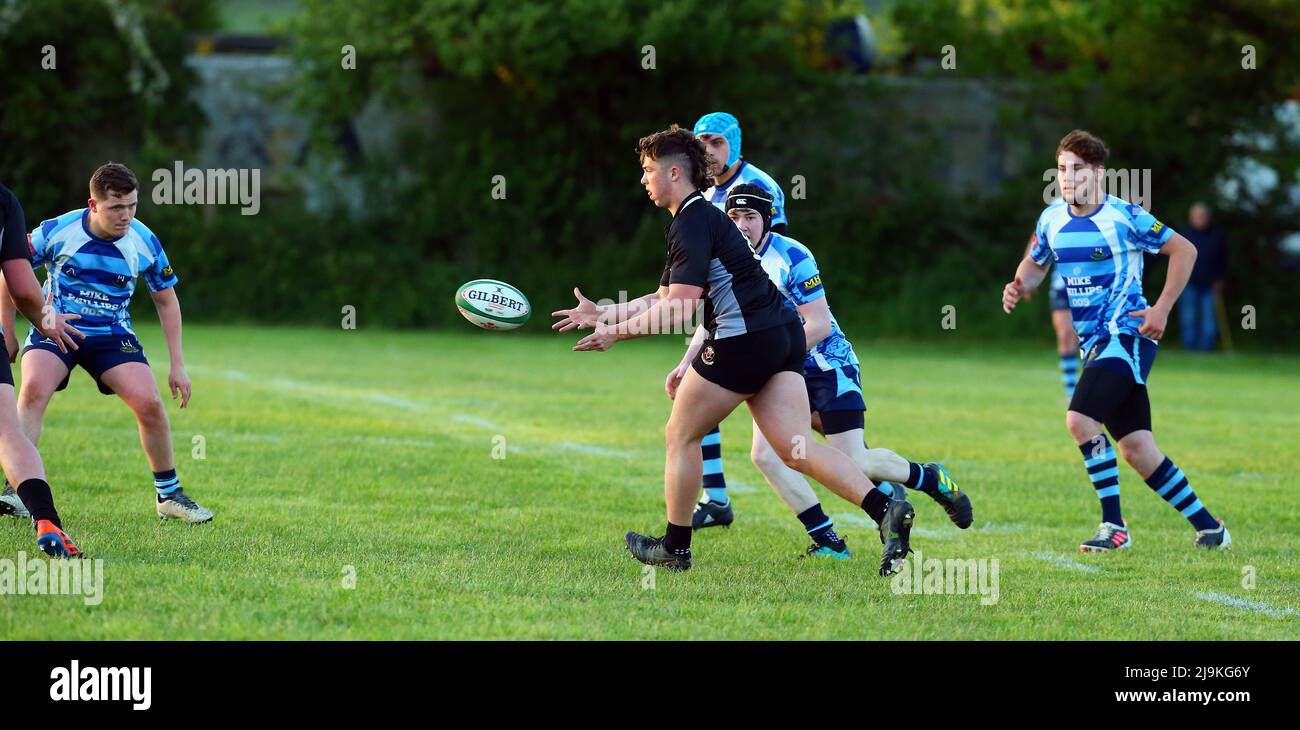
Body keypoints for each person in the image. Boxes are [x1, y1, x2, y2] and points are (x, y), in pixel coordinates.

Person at [554, 125, 937, 575]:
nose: (643, 179)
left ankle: (675, 548)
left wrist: (617, 335)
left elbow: (678, 310)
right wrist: (604, 313)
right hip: (782, 334)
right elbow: (662, 297)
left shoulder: (693, 221)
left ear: (675, 172)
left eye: (648, 170)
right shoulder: (699, 216)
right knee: (795, 449)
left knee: (681, 435)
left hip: (744, 339)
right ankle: (884, 510)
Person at [669, 183, 968, 560]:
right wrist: (685, 363)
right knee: (766, 455)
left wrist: (774, 356)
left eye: (750, 217)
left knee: (854, 459)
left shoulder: (792, 254)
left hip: (825, 365)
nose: (741, 225)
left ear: (768, 220)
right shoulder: (725, 256)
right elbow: (718, 318)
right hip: (778, 370)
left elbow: (819, 324)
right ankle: (829, 540)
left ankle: (929, 478)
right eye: (733, 217)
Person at [1002, 130, 1230, 552]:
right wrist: (1017, 286)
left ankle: (1114, 527)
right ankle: (1211, 528)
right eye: (1062, 170)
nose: (1067, 179)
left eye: (1076, 170)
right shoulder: (1051, 219)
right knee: (1139, 450)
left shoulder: (1125, 216)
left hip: (1127, 337)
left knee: (1079, 420)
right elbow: (1034, 266)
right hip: (1096, 346)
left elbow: (1186, 252)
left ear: (1098, 173)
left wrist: (1161, 309)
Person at [1, 163, 213, 524]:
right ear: (93, 204)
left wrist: (178, 364)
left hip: (112, 334)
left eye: (132, 206)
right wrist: (9, 330)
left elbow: (166, 299)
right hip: (56, 328)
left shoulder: (144, 240)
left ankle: (169, 495)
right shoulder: (57, 230)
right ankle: (15, 490)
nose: (126, 215)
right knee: (34, 388)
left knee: (149, 403)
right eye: (117, 207)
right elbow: (10, 274)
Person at [687, 112, 790, 528]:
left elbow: (774, 253)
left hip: (760, 321)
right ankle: (716, 498)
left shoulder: (759, 186)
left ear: (734, 143)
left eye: (715, 142)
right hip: (721, 317)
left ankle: (877, 483)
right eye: (701, 143)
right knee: (695, 401)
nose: (708, 151)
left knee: (807, 420)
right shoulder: (702, 192)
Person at [0, 183, 85, 556]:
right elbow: (22, 286)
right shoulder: (4, 201)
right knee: (8, 434)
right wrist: (47, 320)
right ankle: (47, 521)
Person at [1025, 230, 1080, 399]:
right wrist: (1027, 278)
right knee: (1064, 335)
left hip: (1095, 283)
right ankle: (1071, 394)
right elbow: (1036, 241)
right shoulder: (1054, 211)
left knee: (1090, 339)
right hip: (1061, 285)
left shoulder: (1101, 208)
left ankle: (1092, 390)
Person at [1178, 202, 1226, 352]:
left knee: (1209, 318)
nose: (1201, 219)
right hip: (1188, 282)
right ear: (1191, 218)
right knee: (1188, 317)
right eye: (1198, 216)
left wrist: (1220, 279)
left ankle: (1206, 349)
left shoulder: (1217, 235)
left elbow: (1223, 259)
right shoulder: (1184, 235)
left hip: (1210, 284)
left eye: (1203, 216)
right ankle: (1189, 348)